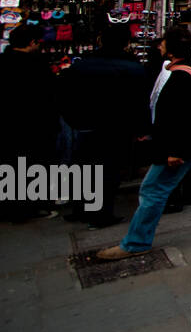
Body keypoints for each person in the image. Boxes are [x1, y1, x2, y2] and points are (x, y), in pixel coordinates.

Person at [97, 27, 191, 260]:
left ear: (172, 48)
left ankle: (136, 242)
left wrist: (172, 150)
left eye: (164, 42)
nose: (160, 45)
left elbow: (177, 118)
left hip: (185, 145)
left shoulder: (180, 75)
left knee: (153, 189)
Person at [57, 23, 149, 228]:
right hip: (117, 128)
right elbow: (140, 102)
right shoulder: (133, 69)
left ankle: (80, 209)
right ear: (126, 43)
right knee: (109, 171)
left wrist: (74, 120)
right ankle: (101, 213)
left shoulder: (81, 66)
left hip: (85, 126)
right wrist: (141, 129)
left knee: (83, 168)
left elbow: (64, 97)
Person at [0, 24, 61, 222]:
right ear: (32, 43)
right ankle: (28, 208)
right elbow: (50, 97)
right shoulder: (37, 66)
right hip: (35, 127)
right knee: (33, 167)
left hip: (8, 127)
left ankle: (9, 207)